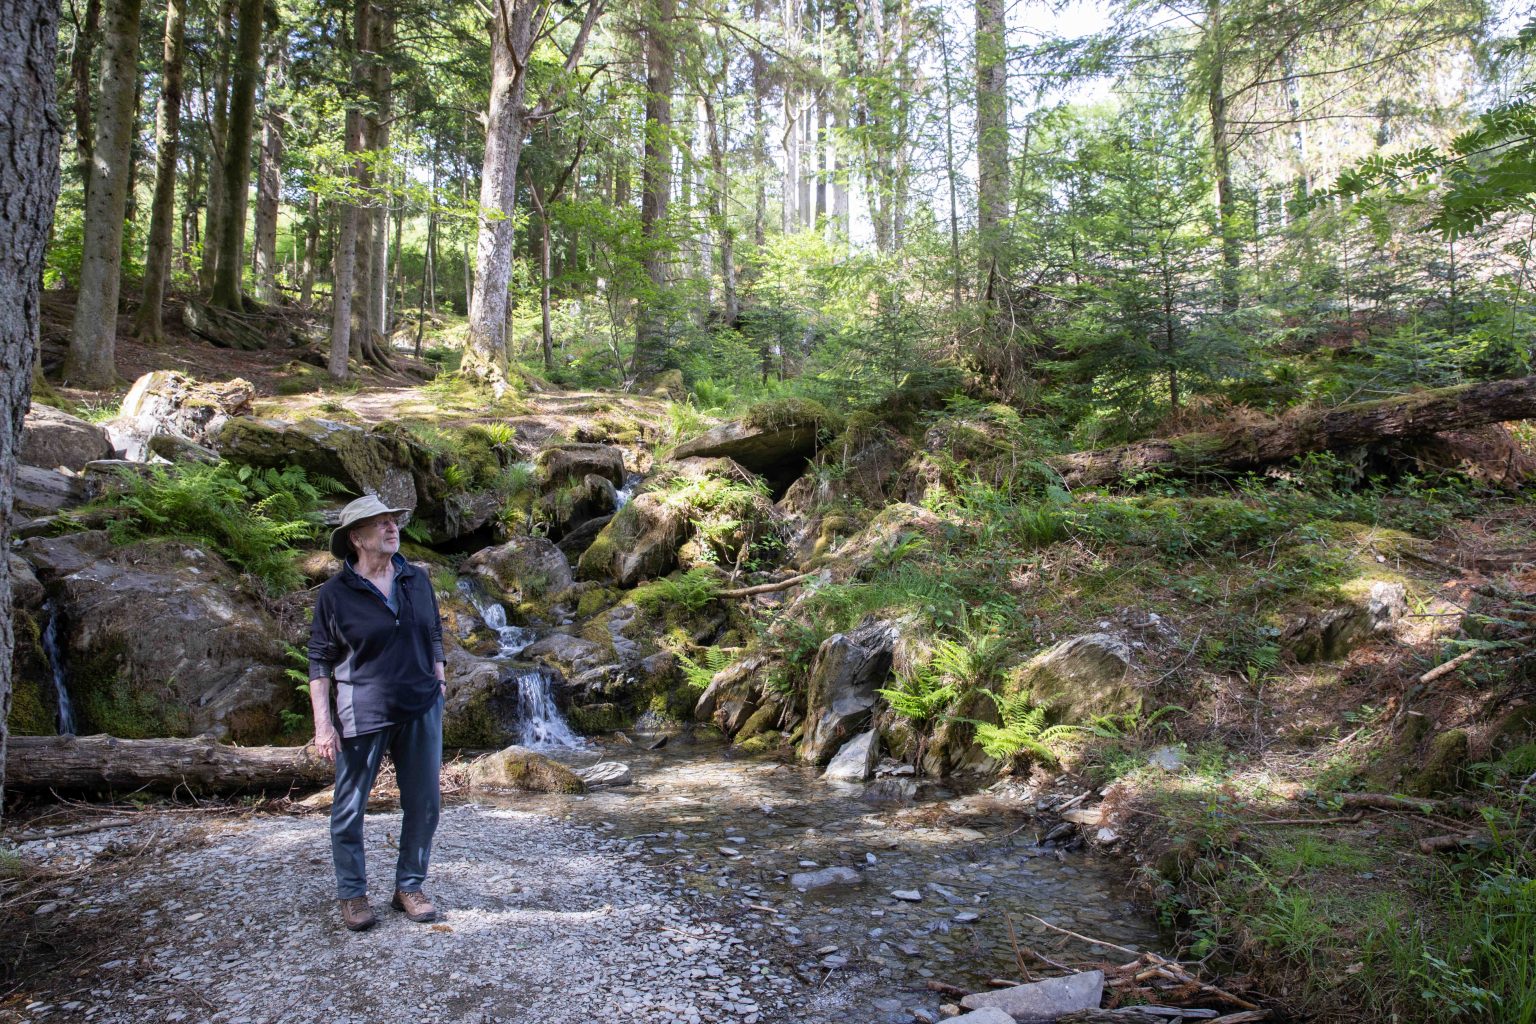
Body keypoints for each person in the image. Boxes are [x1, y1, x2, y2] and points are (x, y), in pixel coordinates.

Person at [308, 494, 447, 931]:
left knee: (425, 803)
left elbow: (434, 630)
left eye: (394, 521)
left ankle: (409, 885)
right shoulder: (334, 594)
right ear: (356, 538)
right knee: (349, 808)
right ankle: (352, 895)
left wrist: (439, 676)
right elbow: (319, 659)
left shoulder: (416, 579)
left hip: (421, 704)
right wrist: (322, 725)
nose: (392, 528)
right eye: (380, 523)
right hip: (361, 711)